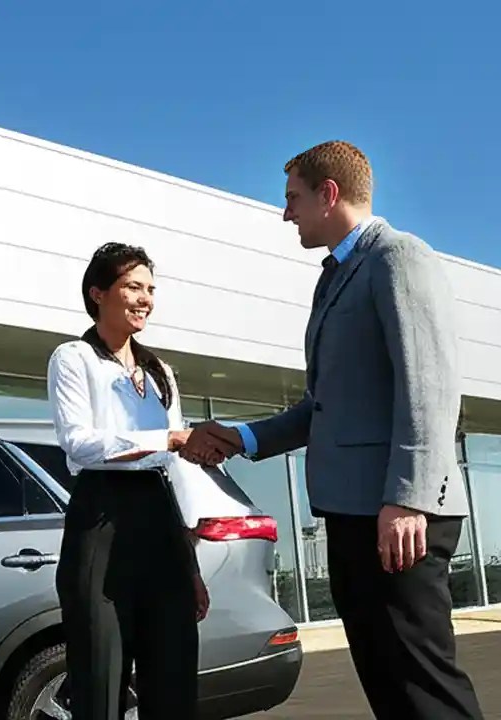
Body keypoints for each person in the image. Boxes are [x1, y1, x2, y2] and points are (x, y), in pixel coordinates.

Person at [186, 140, 484, 720]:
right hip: (354, 513)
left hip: (397, 517)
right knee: (388, 684)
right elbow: (323, 407)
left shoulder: (398, 257)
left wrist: (408, 498)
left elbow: (429, 386)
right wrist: (243, 438)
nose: (285, 212)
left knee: (423, 687)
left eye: (293, 198)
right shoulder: (336, 278)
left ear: (329, 194)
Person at [46, 241, 230, 720]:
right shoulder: (72, 359)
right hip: (100, 523)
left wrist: (189, 564)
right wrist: (167, 439)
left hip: (161, 524)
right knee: (99, 683)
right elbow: (79, 444)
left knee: (173, 682)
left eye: (150, 288)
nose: (145, 298)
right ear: (98, 293)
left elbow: (177, 465)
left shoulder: (160, 371)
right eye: (132, 286)